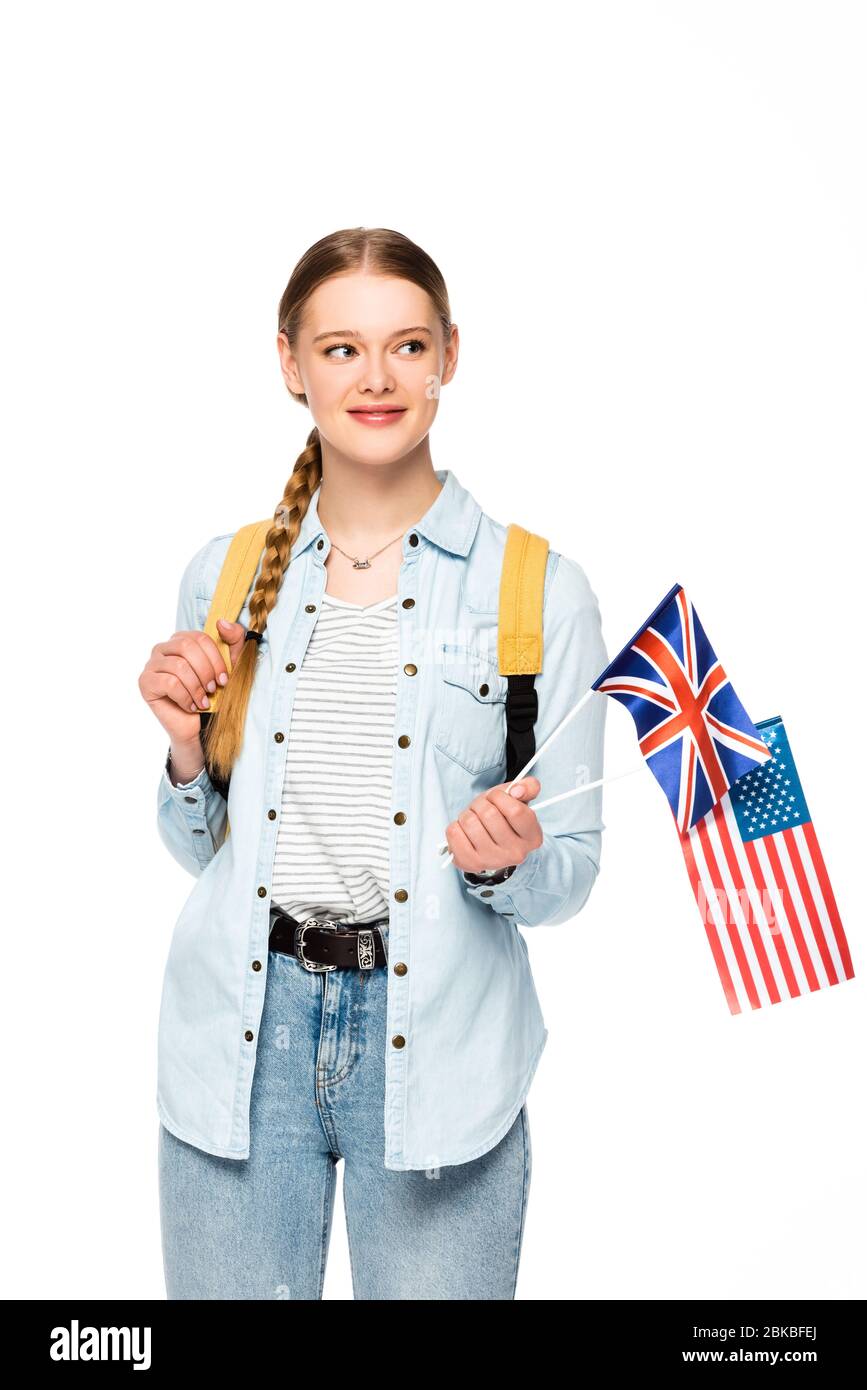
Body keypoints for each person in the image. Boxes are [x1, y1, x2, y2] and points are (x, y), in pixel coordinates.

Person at [138, 226, 608, 1300]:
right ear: (290, 364)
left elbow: (571, 870)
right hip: (238, 1042)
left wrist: (508, 860)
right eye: (342, 349)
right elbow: (202, 847)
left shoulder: (536, 589)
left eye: (405, 345)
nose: (377, 377)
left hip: (440, 1045)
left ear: (450, 354)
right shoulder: (227, 574)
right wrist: (180, 749)